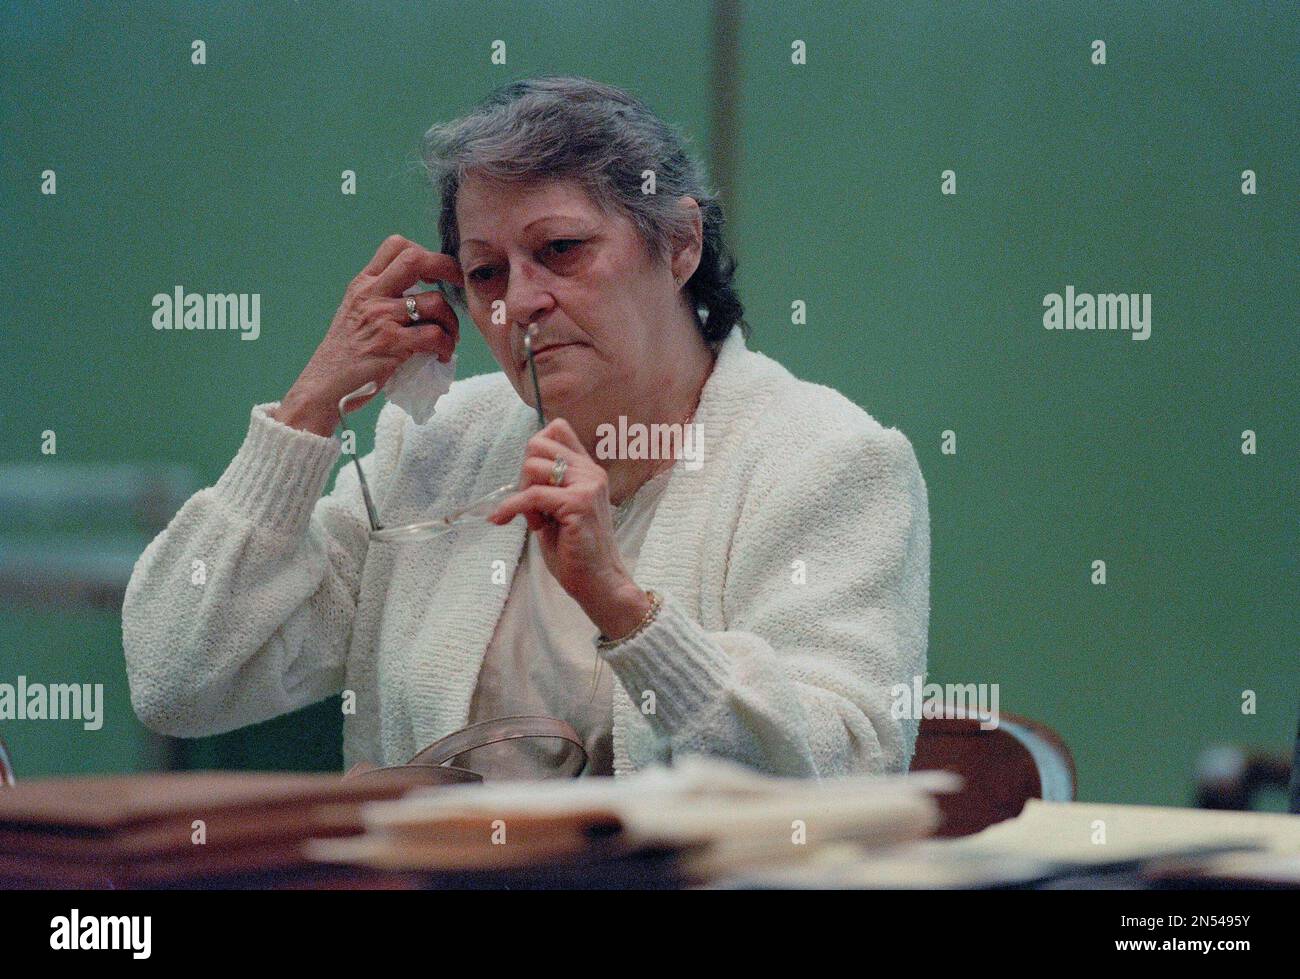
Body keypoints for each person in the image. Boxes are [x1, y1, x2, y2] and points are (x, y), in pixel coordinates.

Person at [122, 75, 931, 778]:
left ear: (680, 243)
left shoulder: (829, 461)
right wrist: (306, 413)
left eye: (562, 249)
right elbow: (177, 677)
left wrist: (622, 607)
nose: (522, 301)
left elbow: (847, 766)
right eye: (486, 272)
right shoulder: (437, 450)